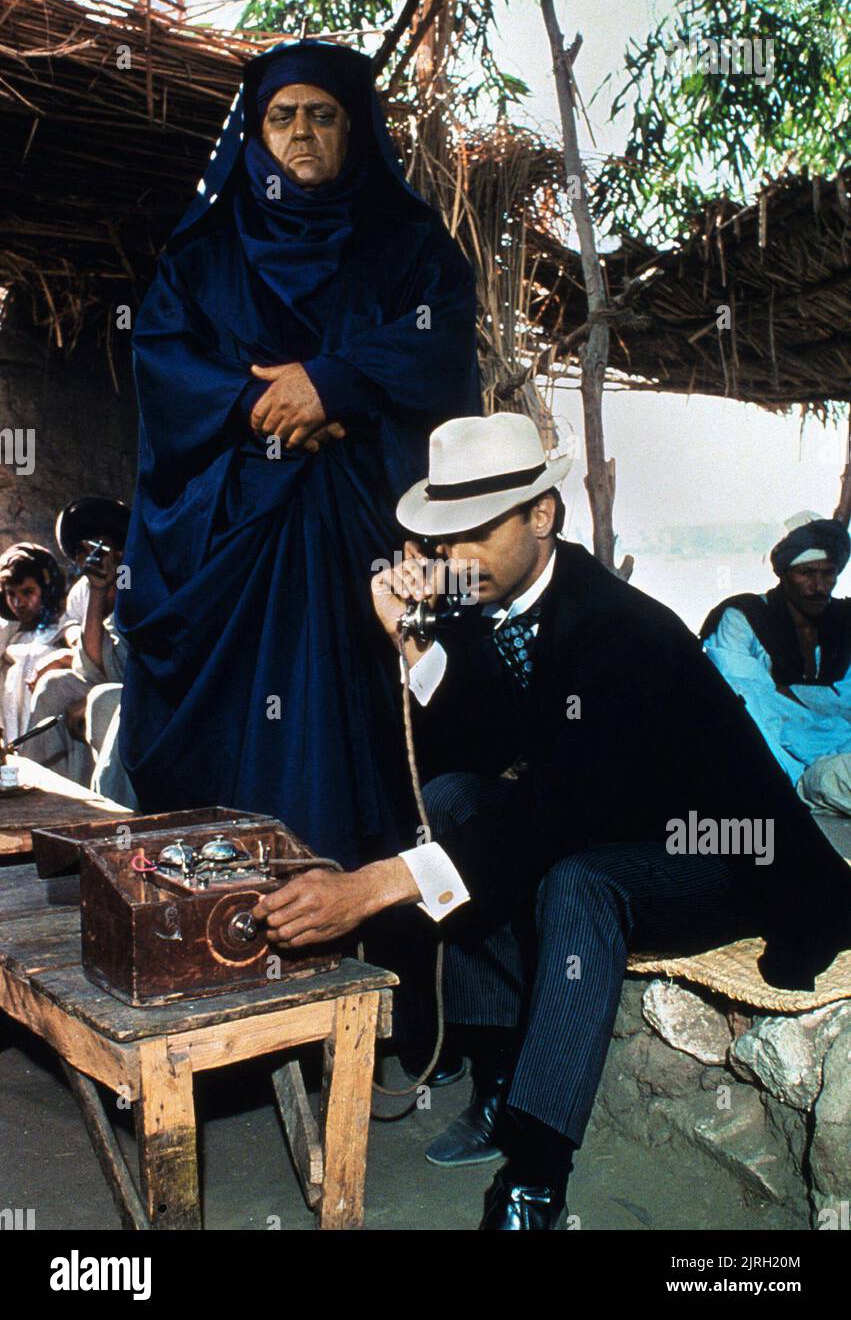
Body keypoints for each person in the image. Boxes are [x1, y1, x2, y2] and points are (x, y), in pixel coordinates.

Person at [252, 413, 851, 1231]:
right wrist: (409, 644)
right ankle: (499, 1073)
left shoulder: (620, 629)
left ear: (543, 514)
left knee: (576, 879)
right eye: (439, 542)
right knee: (461, 795)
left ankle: (534, 1180)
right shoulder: (495, 597)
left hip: (722, 846)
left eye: (471, 536)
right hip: (612, 818)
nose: (450, 563)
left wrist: (373, 886)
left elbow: (557, 808)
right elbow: (477, 748)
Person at [115, 40, 480, 866]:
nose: (302, 134)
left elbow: (443, 354)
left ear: (357, 131)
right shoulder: (200, 261)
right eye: (281, 117)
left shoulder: (412, 250)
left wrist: (336, 382)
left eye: (323, 115)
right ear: (253, 133)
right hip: (237, 549)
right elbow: (166, 368)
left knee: (376, 770)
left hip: (367, 543)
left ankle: (369, 936)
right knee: (232, 787)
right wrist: (258, 406)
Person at [701, 510, 851, 813]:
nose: (819, 586)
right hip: (787, 769)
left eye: (828, 573)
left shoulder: (843, 622)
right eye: (807, 573)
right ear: (784, 573)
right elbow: (751, 704)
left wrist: (798, 695)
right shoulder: (743, 618)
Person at [23, 498, 131, 788]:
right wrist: (97, 591)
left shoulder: (136, 584)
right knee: (53, 686)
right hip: (105, 676)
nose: (91, 559)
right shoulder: (90, 586)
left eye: (98, 549)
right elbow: (93, 666)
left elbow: (127, 666)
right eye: (83, 552)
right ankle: (44, 794)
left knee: (99, 700)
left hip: (137, 687)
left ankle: (101, 805)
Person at [0, 543, 71, 747]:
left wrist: (61, 658)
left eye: (27, 592)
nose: (19, 602)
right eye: (11, 594)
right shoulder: (10, 634)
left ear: (46, 589)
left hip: (53, 733)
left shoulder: (64, 626)